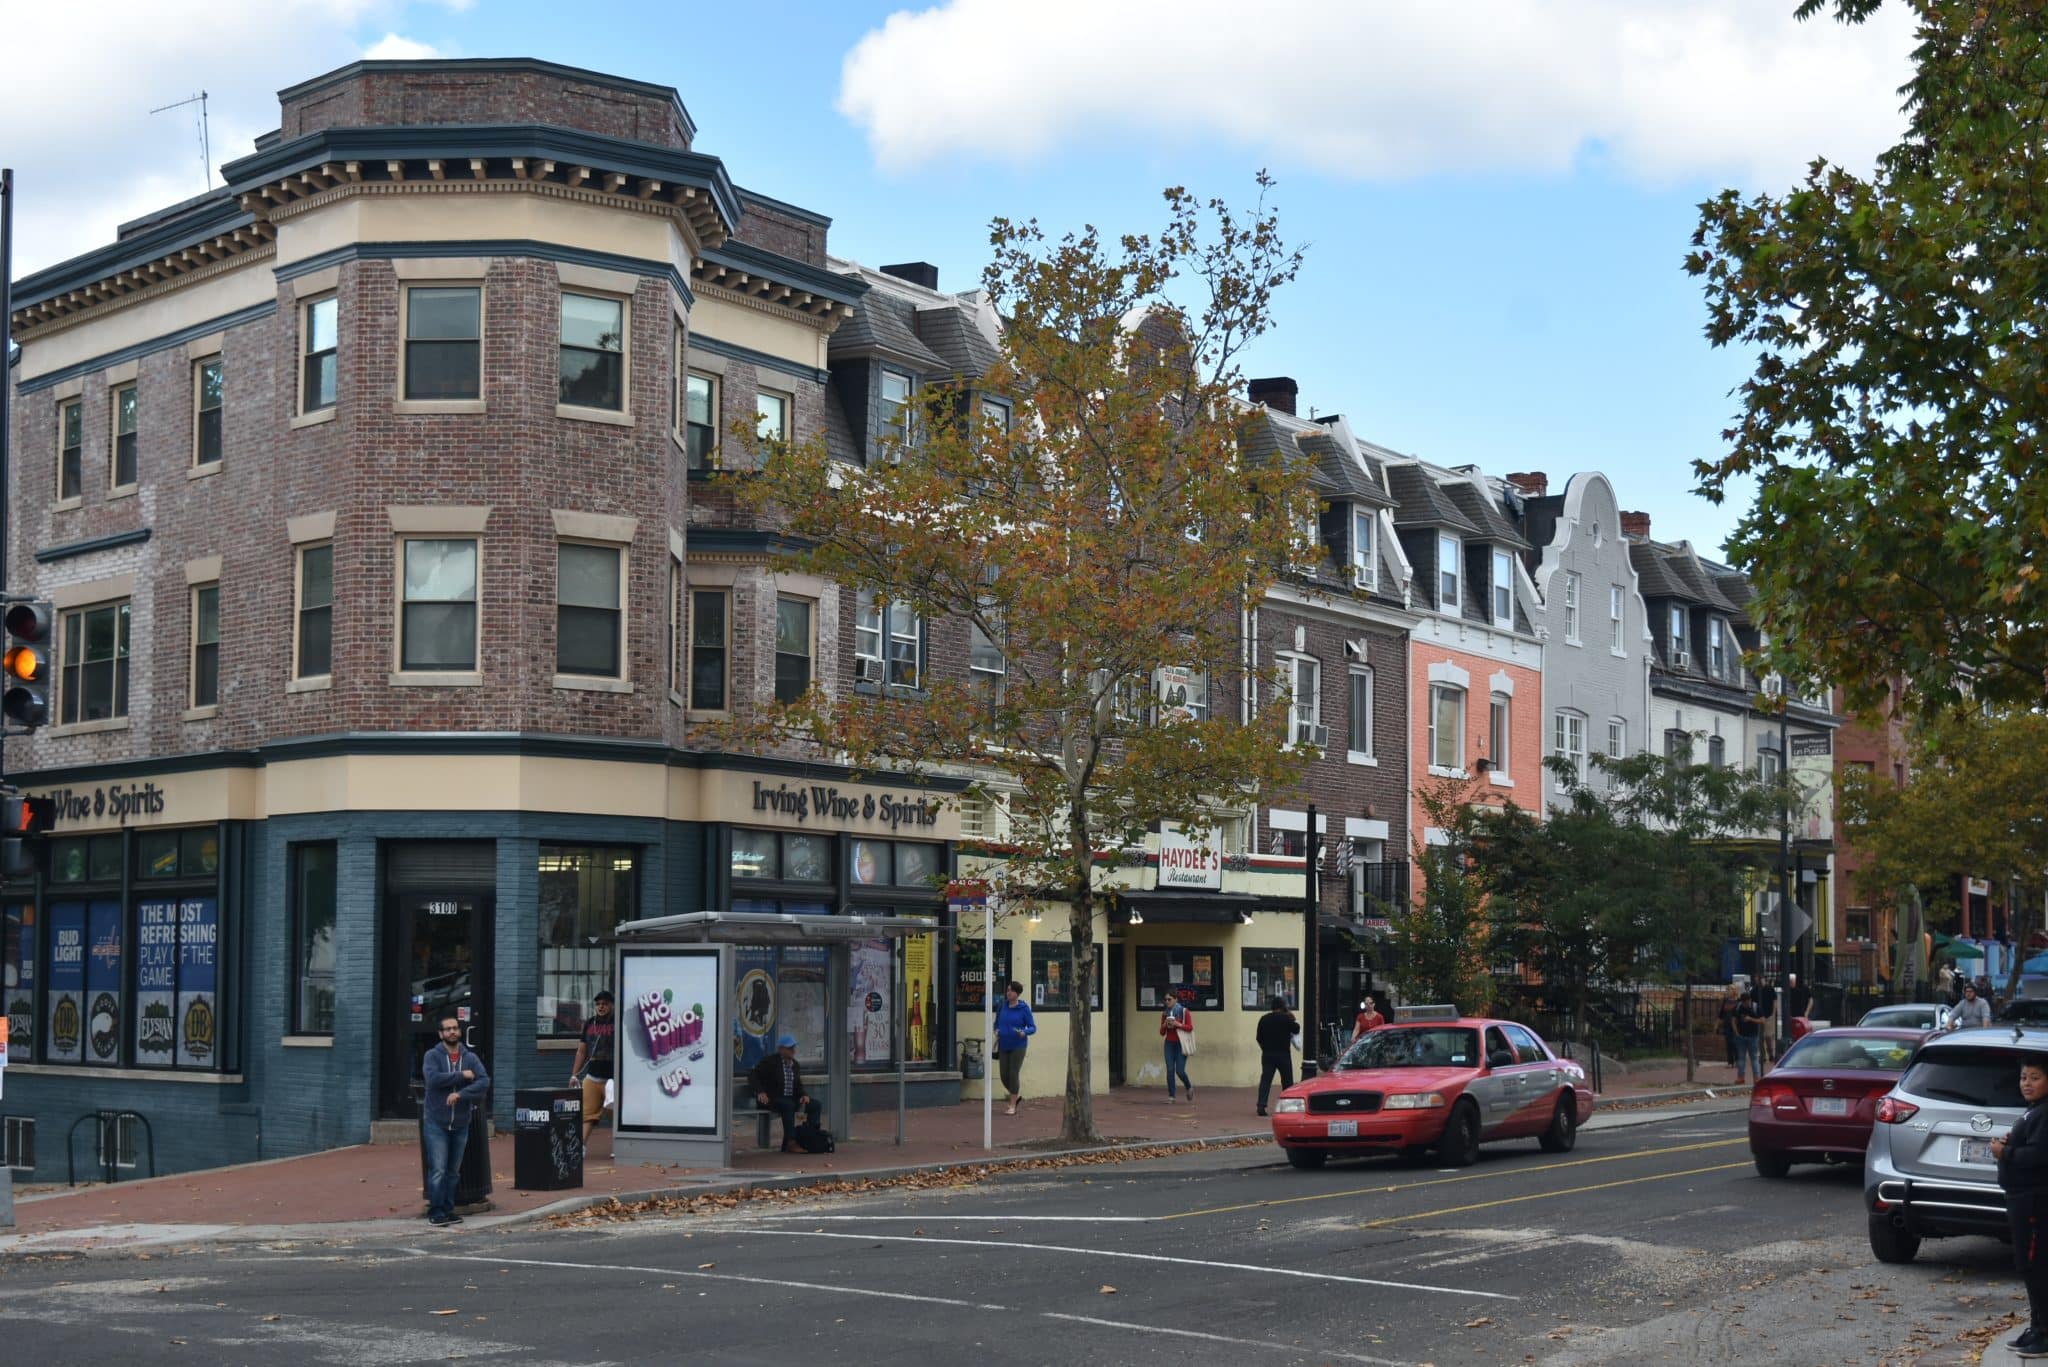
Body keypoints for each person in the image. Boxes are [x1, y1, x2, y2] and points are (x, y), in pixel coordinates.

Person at [1992, 1055, 2048, 1359]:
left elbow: (2039, 1156)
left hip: (2034, 1202)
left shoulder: (2045, 1114)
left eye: (2035, 1077)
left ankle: (2045, 1332)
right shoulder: (2034, 1112)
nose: (2027, 1083)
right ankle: (2037, 1326)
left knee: (2035, 1265)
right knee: (2027, 1265)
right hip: (2019, 1198)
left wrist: (2006, 1151)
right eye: (2024, 1077)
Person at [420, 1016, 491, 1226]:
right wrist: (462, 1075)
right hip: (436, 1122)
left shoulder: (470, 1057)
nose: (452, 1032)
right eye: (447, 1029)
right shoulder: (432, 1056)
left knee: (453, 1172)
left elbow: (484, 1081)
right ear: (441, 1034)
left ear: (459, 1033)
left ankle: (449, 1210)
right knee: (439, 1170)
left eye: (455, 1028)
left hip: (461, 1122)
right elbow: (433, 1079)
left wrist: (461, 1095)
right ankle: (436, 1211)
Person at [748, 1032, 821, 1153]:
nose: (793, 1050)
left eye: (793, 1047)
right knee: (788, 1105)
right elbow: (753, 1075)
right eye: (789, 1048)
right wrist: (760, 1092)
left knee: (815, 1105)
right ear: (781, 1049)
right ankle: (790, 1142)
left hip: (791, 1099)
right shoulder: (770, 1062)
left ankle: (810, 1137)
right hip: (772, 1099)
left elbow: (798, 1085)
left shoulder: (795, 1065)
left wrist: (804, 1095)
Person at [568, 989, 615, 1145]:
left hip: (612, 1079)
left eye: (605, 1004)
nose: (601, 1007)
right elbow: (581, 1051)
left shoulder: (617, 1022)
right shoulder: (589, 1023)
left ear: (612, 1006)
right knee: (588, 1115)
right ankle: (581, 1147)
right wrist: (574, 1075)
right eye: (598, 1004)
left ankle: (619, 1146)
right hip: (592, 1076)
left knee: (613, 1113)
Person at [992, 979, 1036, 1116]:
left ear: (1017, 993)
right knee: (1004, 1075)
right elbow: (997, 1023)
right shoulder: (1002, 1006)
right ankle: (1015, 1096)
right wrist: (996, 1030)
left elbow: (1032, 1027)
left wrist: (1024, 1032)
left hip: (1018, 1045)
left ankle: (1012, 1105)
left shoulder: (1024, 1009)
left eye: (1011, 990)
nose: (1008, 993)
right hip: (1004, 1044)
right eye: (1007, 990)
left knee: (1013, 1073)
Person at [1254, 995, 1297, 1117]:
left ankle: (1261, 1105)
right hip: (1283, 1054)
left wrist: (1264, 1048)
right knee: (1287, 1081)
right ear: (1282, 1007)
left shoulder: (1264, 1019)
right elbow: (1296, 1029)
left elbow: (1258, 1038)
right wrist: (1290, 1016)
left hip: (1268, 1054)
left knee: (1266, 1080)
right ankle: (1288, 1106)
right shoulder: (1286, 1019)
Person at [1160, 995, 1194, 1102]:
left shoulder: (1184, 1011)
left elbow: (1190, 1027)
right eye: (1165, 999)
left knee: (1180, 1071)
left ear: (1175, 999)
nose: (1167, 1002)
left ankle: (1188, 1086)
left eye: (1169, 999)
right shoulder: (1165, 1013)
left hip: (1181, 1044)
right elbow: (1161, 1033)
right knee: (1170, 1069)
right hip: (1169, 1044)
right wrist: (1165, 1024)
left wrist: (1177, 1024)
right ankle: (1172, 1096)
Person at [1733, 990, 1763, 1084]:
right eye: (1744, 1003)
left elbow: (1762, 1020)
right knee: (1741, 1058)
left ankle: (1757, 1078)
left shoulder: (1756, 1007)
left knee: (1754, 1058)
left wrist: (1751, 1019)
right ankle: (1740, 1077)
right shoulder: (1738, 1007)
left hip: (1753, 1036)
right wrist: (1736, 1032)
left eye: (1747, 1002)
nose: (1746, 1004)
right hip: (1741, 1036)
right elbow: (1733, 1020)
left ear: (1750, 1000)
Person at [1755, 977, 1780, 1064]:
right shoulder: (1755, 990)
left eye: (1759, 978)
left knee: (1768, 1036)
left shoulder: (1770, 989)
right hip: (1758, 1016)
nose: (1757, 980)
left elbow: (1775, 1001)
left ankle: (1770, 1052)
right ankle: (1763, 1055)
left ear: (1764, 979)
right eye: (1756, 978)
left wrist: (1773, 1013)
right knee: (1760, 1037)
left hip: (1769, 1015)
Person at [1717, 987, 1742, 1070]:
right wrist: (1717, 1024)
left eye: (1729, 990)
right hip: (1727, 1024)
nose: (1727, 991)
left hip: (1736, 1025)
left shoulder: (1738, 1001)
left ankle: (1737, 1060)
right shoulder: (1725, 1001)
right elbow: (1721, 1014)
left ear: (1734, 991)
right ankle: (1730, 1062)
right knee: (1728, 1043)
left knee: (1736, 1043)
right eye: (1727, 990)